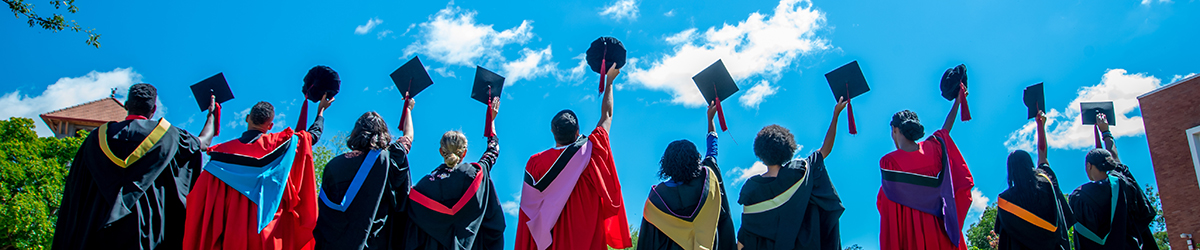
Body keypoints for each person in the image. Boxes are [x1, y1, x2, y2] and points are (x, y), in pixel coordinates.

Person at [52, 83, 217, 249]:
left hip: (98, 232)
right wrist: (212, 115)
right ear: (153, 109)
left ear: (126, 106)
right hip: (149, 234)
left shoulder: (96, 139)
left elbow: (76, 194)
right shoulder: (171, 136)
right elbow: (203, 142)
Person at [183, 94, 332, 250]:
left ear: (247, 118)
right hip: (270, 232)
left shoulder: (221, 154)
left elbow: (201, 200)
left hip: (232, 234)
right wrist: (320, 112)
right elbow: (312, 136)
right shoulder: (283, 145)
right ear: (270, 126)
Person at [515, 64, 632, 250]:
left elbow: (528, 212)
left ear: (552, 132)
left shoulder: (535, 164)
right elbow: (607, 116)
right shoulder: (592, 151)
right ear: (578, 132)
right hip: (588, 241)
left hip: (552, 243)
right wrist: (609, 81)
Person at [737, 98, 849, 250]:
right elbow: (825, 150)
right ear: (788, 149)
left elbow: (744, 237)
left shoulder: (751, 189)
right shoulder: (800, 172)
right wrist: (836, 115)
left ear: (760, 154)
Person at [312, 102, 415, 249]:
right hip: (374, 242)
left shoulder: (334, 166)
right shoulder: (388, 159)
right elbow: (408, 137)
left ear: (355, 133)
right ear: (384, 134)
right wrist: (408, 110)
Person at [877, 93, 974, 250]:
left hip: (910, 233)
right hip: (940, 227)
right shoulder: (933, 149)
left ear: (894, 130)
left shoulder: (889, 162)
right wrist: (957, 101)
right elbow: (945, 131)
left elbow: (889, 206)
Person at [405, 98, 505, 250]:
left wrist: (407, 111)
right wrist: (491, 120)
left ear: (441, 152)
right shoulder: (474, 175)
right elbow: (493, 150)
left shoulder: (423, 187)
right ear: (464, 152)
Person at [635, 103, 735, 250]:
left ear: (666, 164)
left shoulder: (657, 199)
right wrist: (710, 120)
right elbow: (712, 150)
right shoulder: (707, 180)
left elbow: (648, 243)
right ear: (696, 159)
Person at [1068, 114, 1159, 250]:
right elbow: (1115, 157)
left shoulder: (1081, 196)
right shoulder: (1124, 183)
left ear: (1089, 166)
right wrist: (1105, 132)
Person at [994, 111, 1074, 250]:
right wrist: (1040, 126)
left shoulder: (1006, 201)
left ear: (1010, 172)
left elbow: (1003, 237)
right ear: (1030, 164)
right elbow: (1043, 157)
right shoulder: (1046, 182)